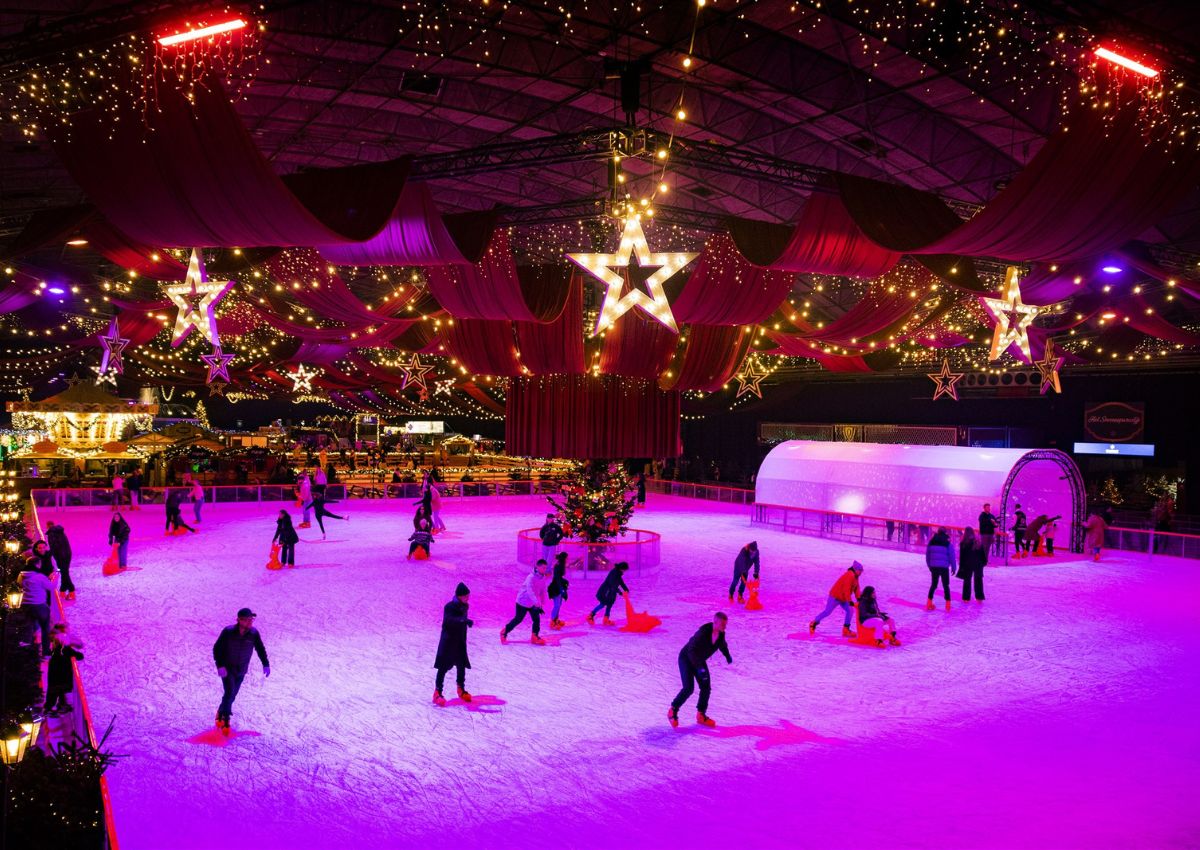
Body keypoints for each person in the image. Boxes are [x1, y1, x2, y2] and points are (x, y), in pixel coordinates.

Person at [668, 612, 732, 729]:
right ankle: (673, 711)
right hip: (686, 658)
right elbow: (691, 650)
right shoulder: (703, 632)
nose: (725, 627)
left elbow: (722, 644)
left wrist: (727, 655)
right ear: (715, 622)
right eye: (723, 624)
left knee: (706, 687)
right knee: (688, 688)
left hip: (699, 660)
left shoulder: (721, 634)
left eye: (725, 624)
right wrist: (699, 667)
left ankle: (701, 715)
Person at [212, 607, 270, 735]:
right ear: (240, 620)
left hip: (241, 670)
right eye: (248, 620)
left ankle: (220, 711)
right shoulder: (228, 632)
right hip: (227, 669)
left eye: (251, 619)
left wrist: (265, 663)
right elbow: (217, 648)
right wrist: (220, 665)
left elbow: (260, 649)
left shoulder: (253, 633)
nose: (251, 622)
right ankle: (225, 720)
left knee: (232, 694)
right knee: (229, 692)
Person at [433, 582, 474, 705]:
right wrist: (463, 620)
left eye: (468, 596)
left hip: (460, 641)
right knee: (443, 667)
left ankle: (460, 689)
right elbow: (448, 621)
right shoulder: (449, 607)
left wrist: (464, 622)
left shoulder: (465, 606)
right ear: (459, 596)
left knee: (461, 665)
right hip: (448, 642)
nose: (468, 598)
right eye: (465, 596)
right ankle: (437, 693)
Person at [808, 561, 864, 638]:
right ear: (856, 569)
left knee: (850, 610)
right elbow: (846, 589)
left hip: (843, 598)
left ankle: (846, 629)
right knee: (827, 612)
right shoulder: (850, 575)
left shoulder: (855, 576)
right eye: (860, 570)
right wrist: (849, 601)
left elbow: (857, 588)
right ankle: (814, 623)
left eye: (861, 571)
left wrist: (859, 598)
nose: (861, 572)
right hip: (835, 596)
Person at [501, 560, 550, 645]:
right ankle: (504, 632)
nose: (544, 569)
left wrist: (542, 602)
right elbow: (529, 590)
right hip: (522, 601)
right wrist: (536, 602)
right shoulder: (530, 577)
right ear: (537, 567)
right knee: (518, 619)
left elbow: (543, 590)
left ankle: (534, 637)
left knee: (536, 620)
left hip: (533, 603)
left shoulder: (543, 578)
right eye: (543, 567)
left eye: (545, 568)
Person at [44, 624, 84, 716]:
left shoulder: (55, 650)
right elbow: (80, 656)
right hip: (62, 674)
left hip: (55, 674)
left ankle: (58, 706)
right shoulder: (65, 650)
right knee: (59, 690)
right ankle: (51, 708)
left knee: (56, 690)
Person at [18, 558, 55, 655]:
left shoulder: (21, 576)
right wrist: (54, 578)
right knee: (45, 628)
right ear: (37, 565)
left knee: (27, 628)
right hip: (39, 605)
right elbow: (51, 587)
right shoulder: (39, 576)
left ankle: (27, 653)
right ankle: (46, 652)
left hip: (26, 605)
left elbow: (20, 585)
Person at [924, 527, 956, 611]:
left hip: (934, 566)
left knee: (934, 584)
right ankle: (948, 605)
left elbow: (928, 555)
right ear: (945, 533)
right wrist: (953, 567)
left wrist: (930, 566)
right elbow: (952, 556)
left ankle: (929, 602)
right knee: (946, 585)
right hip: (944, 567)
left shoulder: (931, 541)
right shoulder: (947, 542)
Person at [45, 521, 76, 600]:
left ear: (48, 526)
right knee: (64, 572)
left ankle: (71, 590)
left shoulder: (51, 534)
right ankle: (62, 590)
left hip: (60, 556)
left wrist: (48, 554)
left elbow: (54, 546)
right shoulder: (60, 532)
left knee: (64, 573)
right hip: (67, 554)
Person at [959, 526, 987, 602]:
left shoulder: (963, 543)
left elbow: (962, 556)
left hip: (968, 564)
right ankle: (979, 597)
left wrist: (961, 566)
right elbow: (982, 553)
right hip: (978, 563)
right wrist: (984, 562)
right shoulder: (977, 541)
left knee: (967, 580)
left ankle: (966, 598)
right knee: (978, 580)